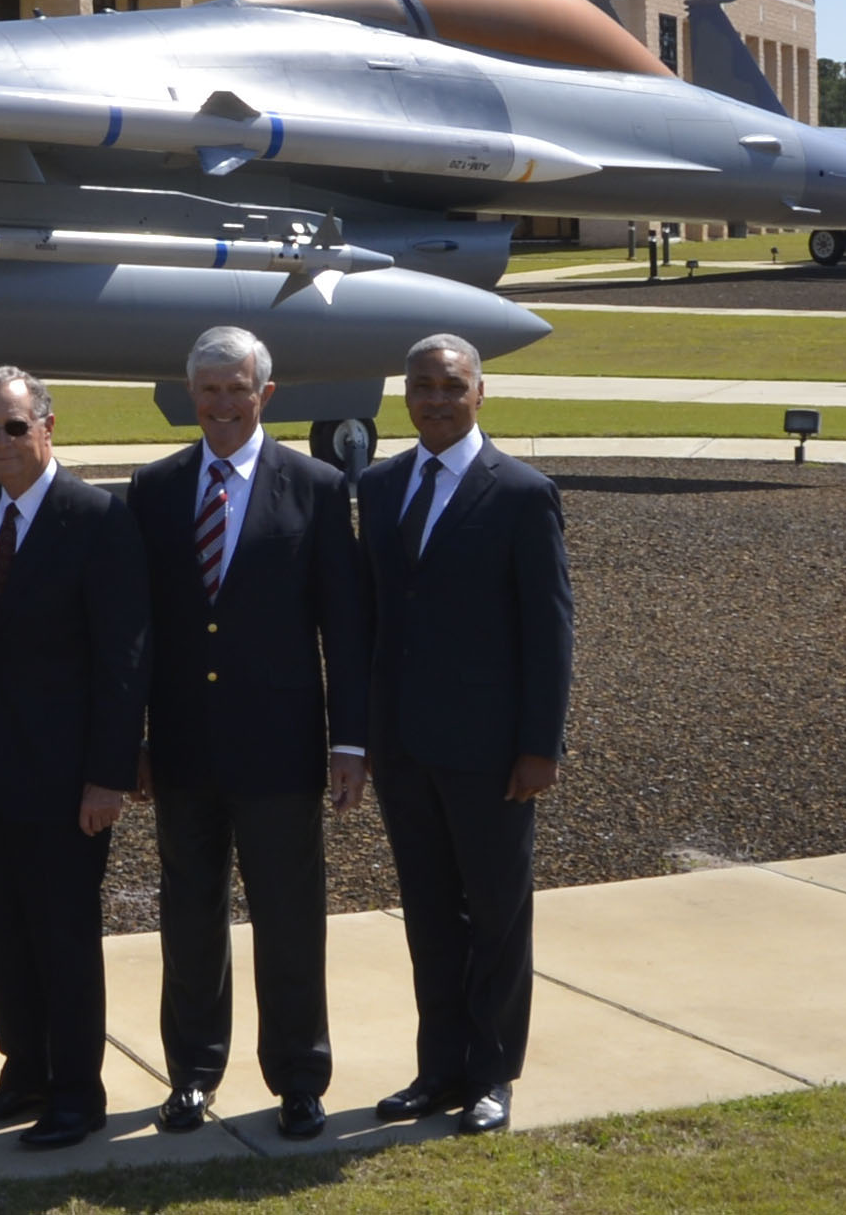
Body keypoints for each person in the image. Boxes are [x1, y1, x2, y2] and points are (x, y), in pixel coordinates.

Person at [129, 327, 369, 1142]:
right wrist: (133, 736)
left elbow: (344, 626)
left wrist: (350, 742)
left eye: (237, 390)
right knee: (189, 919)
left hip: (280, 746)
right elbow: (140, 632)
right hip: (184, 749)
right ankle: (192, 1075)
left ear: (265, 394)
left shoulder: (317, 487)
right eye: (208, 390)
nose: (222, 405)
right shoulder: (153, 489)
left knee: (289, 919)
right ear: (188, 395)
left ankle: (299, 1077)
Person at [360, 333, 574, 1138]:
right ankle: (438, 1066)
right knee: (425, 914)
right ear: (403, 396)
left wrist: (539, 745)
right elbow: (374, 620)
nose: (435, 400)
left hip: (491, 752)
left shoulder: (520, 492)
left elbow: (548, 629)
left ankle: (491, 1073)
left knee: (494, 914)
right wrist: (362, 737)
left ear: (478, 393)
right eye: (421, 387)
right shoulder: (379, 487)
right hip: (403, 749)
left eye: (450, 386)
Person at [0, 366, 149, 1151]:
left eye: (14, 427)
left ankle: (75, 1090)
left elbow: (123, 658)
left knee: (62, 932)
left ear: (47, 427)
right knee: (1, 925)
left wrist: (107, 772)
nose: (0, 444)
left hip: (68, 777)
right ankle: (22, 1069)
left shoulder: (95, 517)